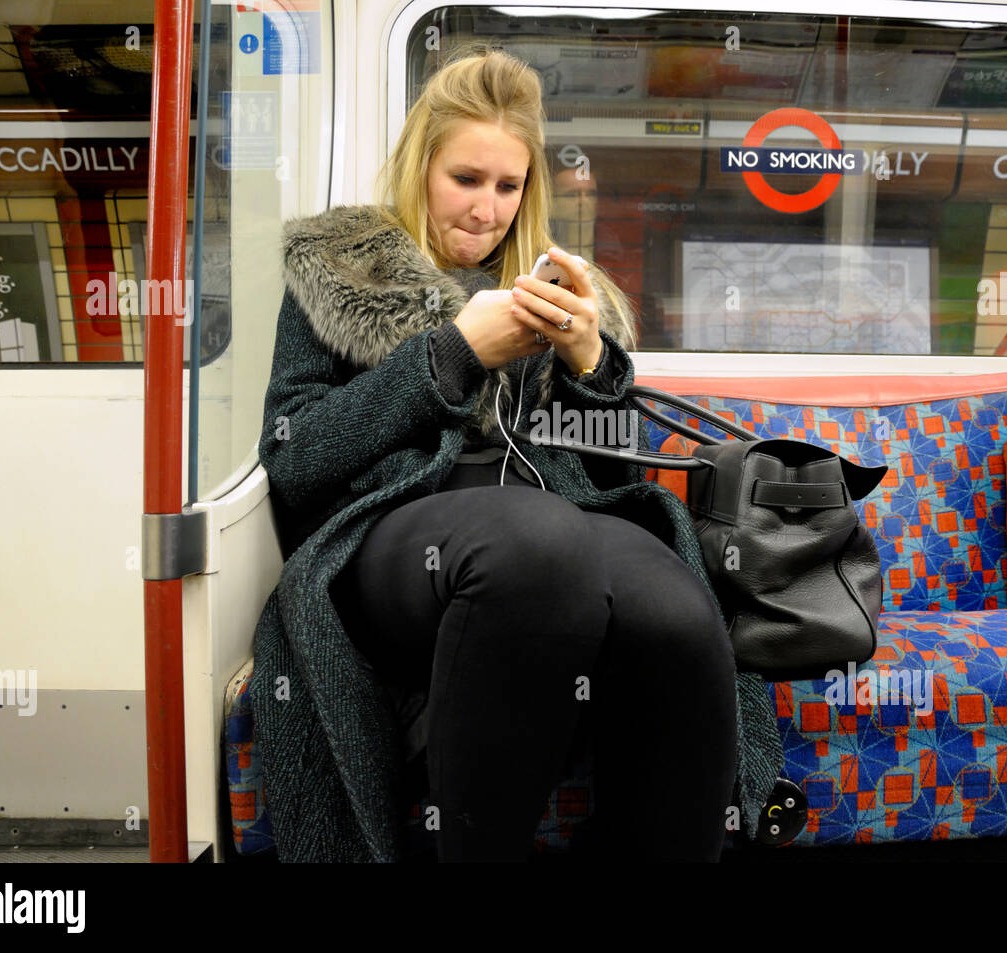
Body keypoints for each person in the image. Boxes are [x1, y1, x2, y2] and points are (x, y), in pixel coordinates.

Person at [249, 44, 783, 863]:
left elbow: (614, 477)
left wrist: (592, 366)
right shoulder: (336, 267)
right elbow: (296, 456)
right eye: (467, 179)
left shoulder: (565, 289)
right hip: (388, 539)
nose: (487, 209)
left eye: (509, 186)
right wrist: (454, 354)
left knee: (677, 608)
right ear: (420, 165)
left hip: (556, 527)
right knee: (536, 541)